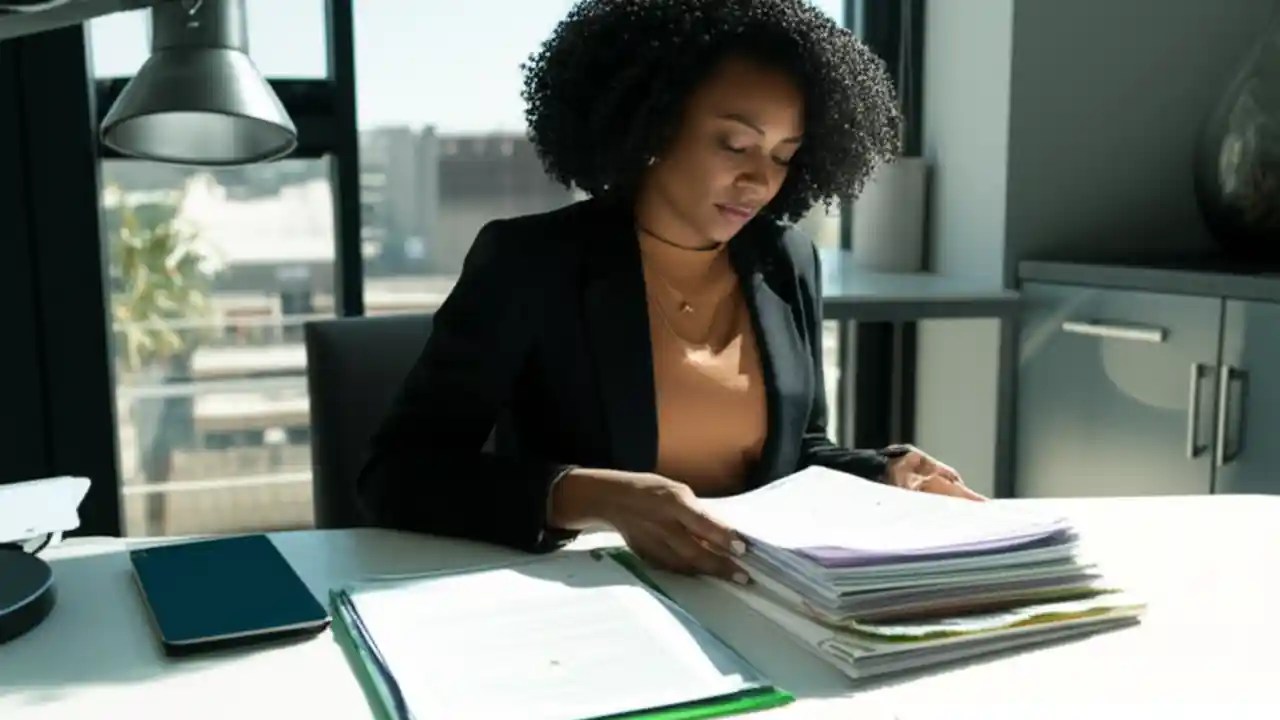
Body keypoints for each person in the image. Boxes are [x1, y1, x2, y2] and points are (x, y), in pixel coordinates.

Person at [356, 0, 985, 584]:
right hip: (586, 593)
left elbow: (798, 452)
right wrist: (598, 497)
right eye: (735, 144)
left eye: (784, 155)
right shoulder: (531, 262)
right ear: (653, 124)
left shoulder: (785, 259)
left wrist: (883, 473)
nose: (759, 179)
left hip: (750, 587)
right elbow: (397, 475)